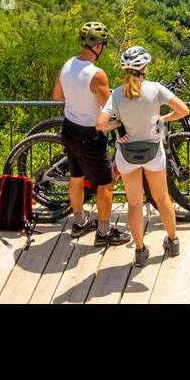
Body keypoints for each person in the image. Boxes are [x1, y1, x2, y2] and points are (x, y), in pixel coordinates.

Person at [96, 44, 187, 267]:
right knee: (162, 198)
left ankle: (139, 250)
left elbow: (99, 125)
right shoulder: (156, 89)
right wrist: (162, 119)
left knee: (135, 204)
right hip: (153, 153)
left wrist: (118, 124)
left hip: (127, 157)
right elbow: (183, 110)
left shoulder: (116, 94)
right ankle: (173, 241)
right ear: (144, 66)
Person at [51, 21, 130, 246]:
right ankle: (104, 233)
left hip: (69, 127)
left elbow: (58, 94)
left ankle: (80, 223)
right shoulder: (97, 75)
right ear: (99, 46)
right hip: (89, 134)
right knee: (106, 183)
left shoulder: (67, 65)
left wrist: (78, 101)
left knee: (76, 178)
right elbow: (109, 108)